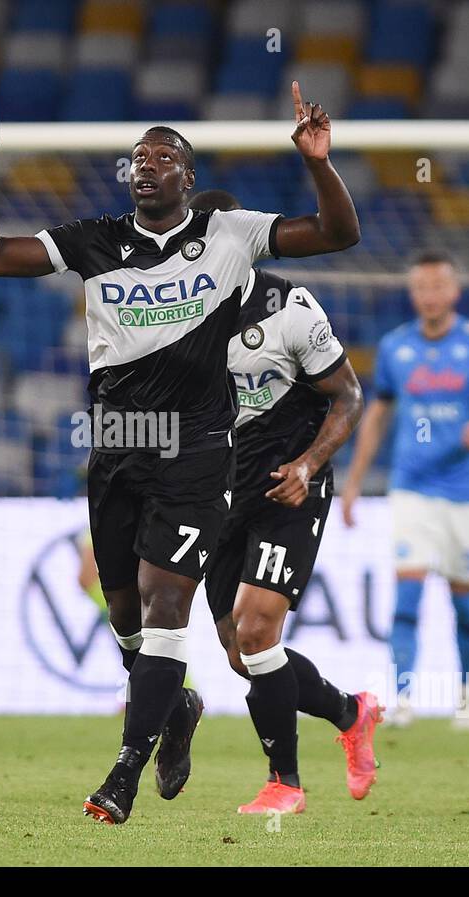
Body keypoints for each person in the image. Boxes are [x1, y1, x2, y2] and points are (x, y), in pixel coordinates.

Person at [0, 80, 361, 823]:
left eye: (162, 156)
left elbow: (337, 234)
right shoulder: (94, 241)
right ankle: (176, 710)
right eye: (137, 157)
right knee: (124, 616)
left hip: (198, 450)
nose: (145, 165)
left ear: (186, 176)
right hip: (118, 445)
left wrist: (317, 162)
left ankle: (124, 775)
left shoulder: (233, 236)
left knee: (167, 605)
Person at [183, 190, 380, 814]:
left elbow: (348, 397)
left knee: (258, 628)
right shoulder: (174, 316)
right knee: (243, 658)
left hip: (287, 488)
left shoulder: (289, 307)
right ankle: (351, 713)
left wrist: (309, 463)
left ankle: (284, 784)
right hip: (219, 496)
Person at [341, 252, 469, 729]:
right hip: (412, 486)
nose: (430, 295)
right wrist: (354, 482)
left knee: (463, 599)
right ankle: (402, 698)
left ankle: (466, 695)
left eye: (438, 286)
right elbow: (377, 416)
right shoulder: (397, 348)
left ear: (454, 291)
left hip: (466, 488)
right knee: (408, 595)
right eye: (421, 287)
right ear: (413, 293)